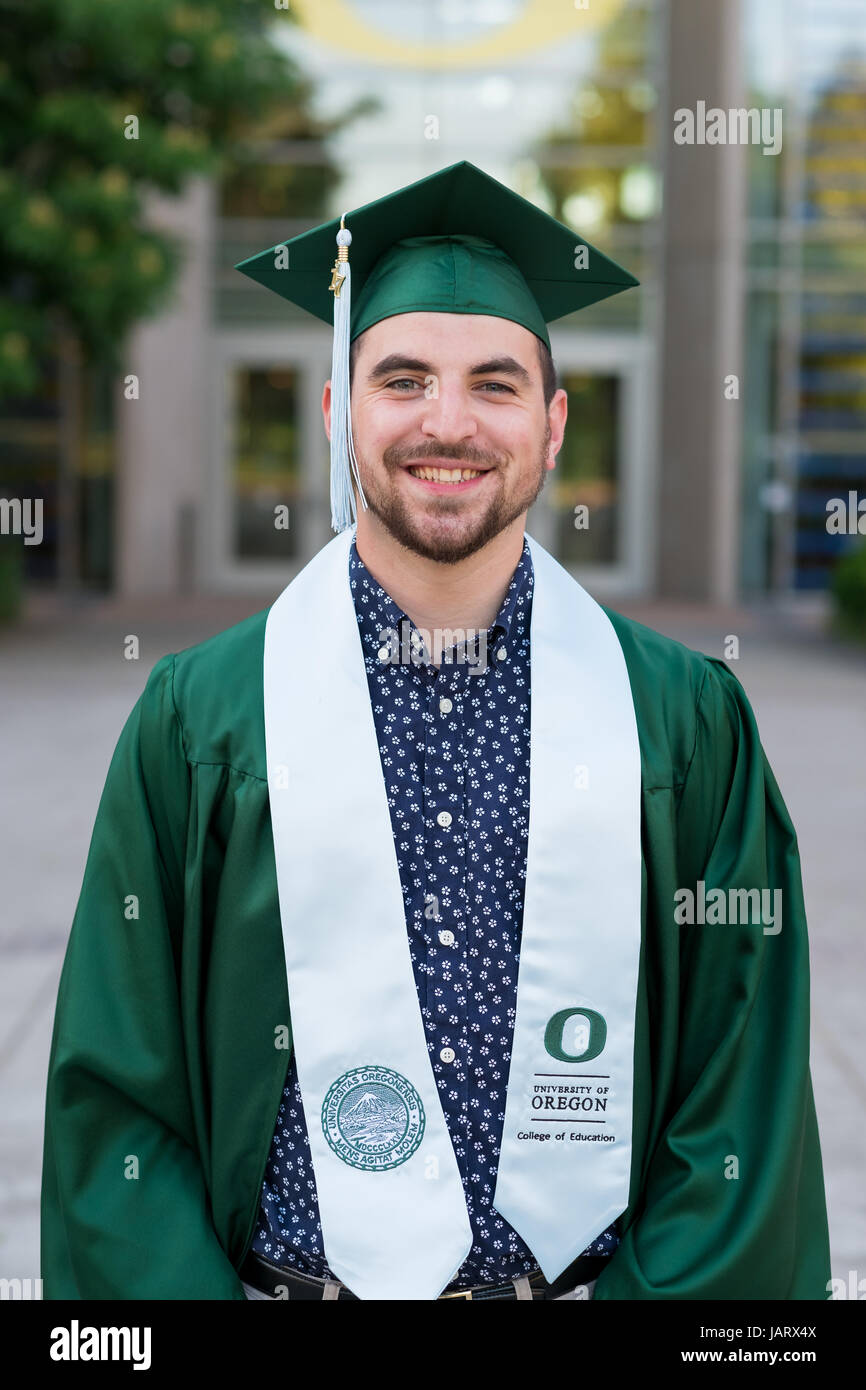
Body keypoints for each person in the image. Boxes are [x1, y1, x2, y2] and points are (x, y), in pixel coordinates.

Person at [41, 161, 831, 1301]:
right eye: (401, 378)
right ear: (335, 412)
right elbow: (121, 1095)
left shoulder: (683, 724)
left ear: (553, 425)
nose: (446, 422)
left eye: (495, 385)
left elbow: (738, 1089)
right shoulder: (201, 720)